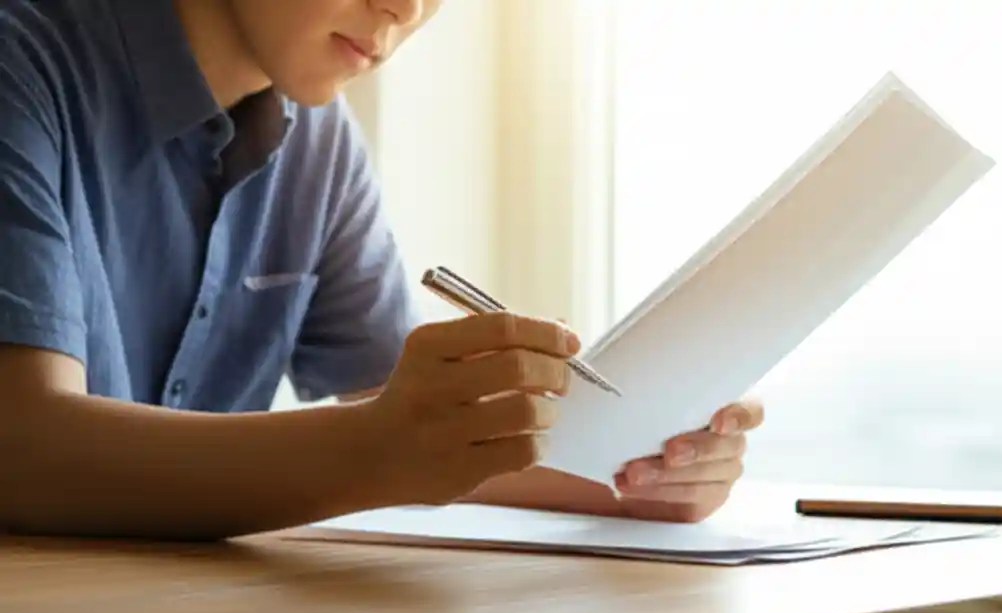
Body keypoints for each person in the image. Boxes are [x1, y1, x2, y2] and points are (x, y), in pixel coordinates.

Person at [0, 0, 765, 541]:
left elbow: (405, 426)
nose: (406, 7)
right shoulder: (20, 63)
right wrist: (376, 447)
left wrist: (633, 476)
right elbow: (23, 446)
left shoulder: (316, 138)